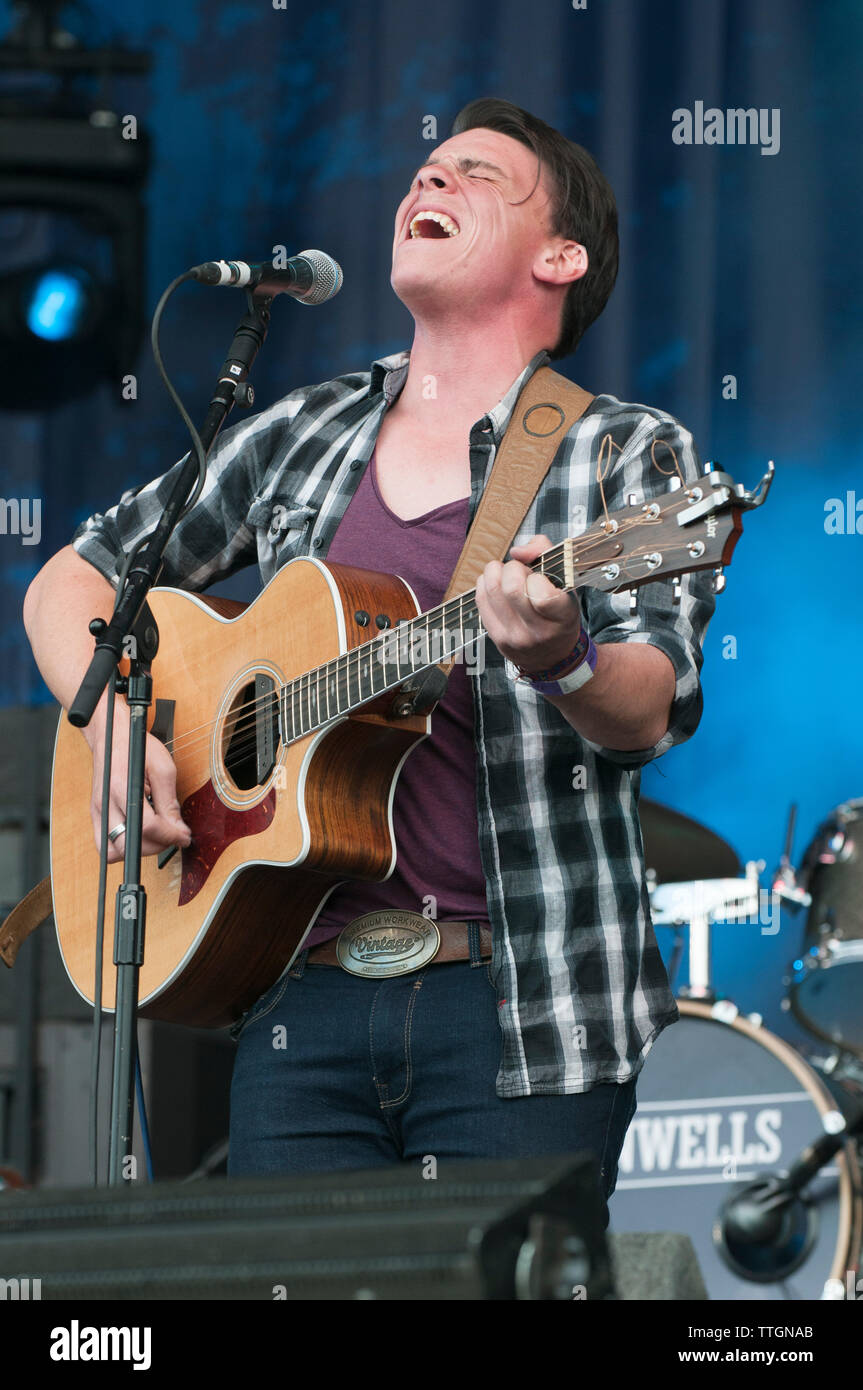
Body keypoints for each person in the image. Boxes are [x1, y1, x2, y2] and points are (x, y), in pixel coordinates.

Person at [23, 98, 714, 1221]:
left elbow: (648, 706)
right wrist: (111, 730)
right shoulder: (301, 428)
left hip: (519, 1004)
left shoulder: (625, 454)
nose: (427, 184)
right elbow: (71, 580)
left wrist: (561, 654)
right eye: (424, 170)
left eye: (475, 174)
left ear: (560, 256)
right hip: (298, 999)